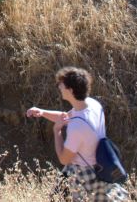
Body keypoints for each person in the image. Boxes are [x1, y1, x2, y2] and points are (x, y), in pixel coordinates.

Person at [29, 66, 127, 201]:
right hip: (101, 166)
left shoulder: (77, 128)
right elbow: (65, 117)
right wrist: (42, 112)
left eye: (61, 85)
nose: (59, 87)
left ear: (70, 90)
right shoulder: (92, 105)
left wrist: (56, 131)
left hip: (85, 174)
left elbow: (64, 159)